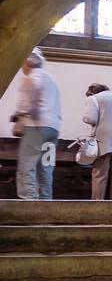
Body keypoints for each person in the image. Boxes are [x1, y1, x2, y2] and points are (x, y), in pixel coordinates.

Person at [10, 48, 61, 200]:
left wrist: (16, 115)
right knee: (46, 167)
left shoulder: (31, 77)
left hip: (36, 128)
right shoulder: (52, 80)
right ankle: (46, 204)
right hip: (53, 129)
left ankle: (29, 204)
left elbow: (26, 105)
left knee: (27, 167)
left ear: (27, 63)